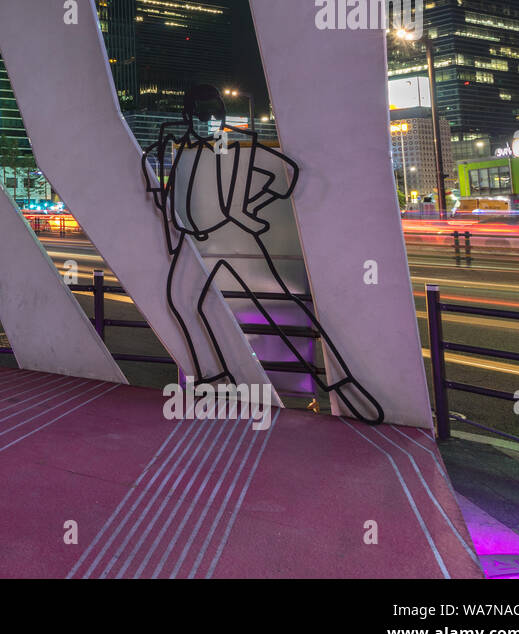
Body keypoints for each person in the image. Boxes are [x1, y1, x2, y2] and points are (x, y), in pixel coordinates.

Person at [142, 85, 384, 424]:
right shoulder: (176, 145)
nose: (210, 123)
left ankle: (341, 382)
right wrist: (164, 196)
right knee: (185, 303)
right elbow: (153, 169)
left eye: (215, 116)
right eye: (202, 116)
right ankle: (215, 376)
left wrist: (248, 211)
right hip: (199, 246)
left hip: (236, 239)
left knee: (282, 302)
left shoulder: (236, 143)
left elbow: (287, 174)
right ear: (188, 116)